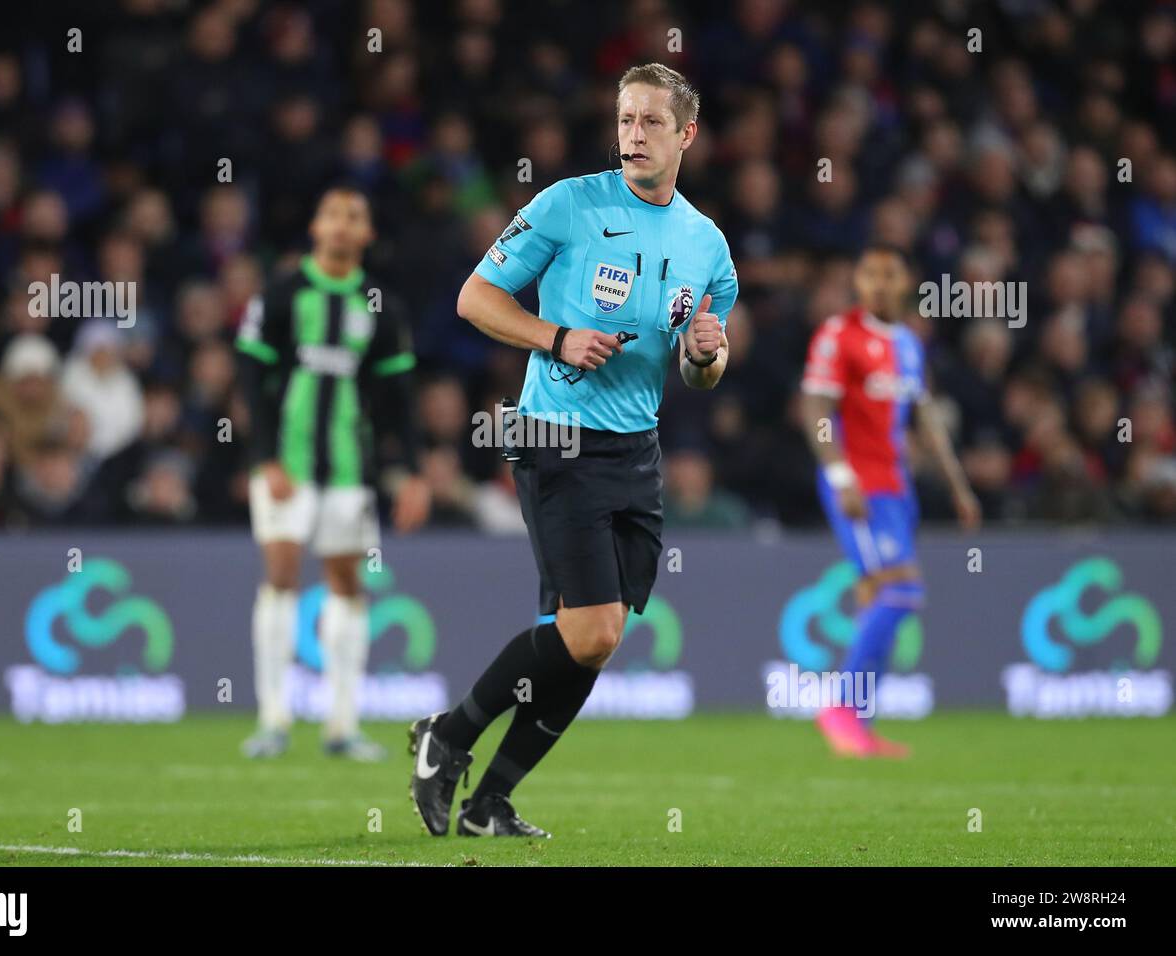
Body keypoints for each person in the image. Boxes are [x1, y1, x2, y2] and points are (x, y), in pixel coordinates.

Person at [408, 64, 737, 837]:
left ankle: (489, 803)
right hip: (552, 431)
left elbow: (703, 372)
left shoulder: (707, 246)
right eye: (625, 119)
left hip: (635, 446)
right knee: (592, 632)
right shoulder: (567, 204)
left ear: (686, 134)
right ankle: (447, 737)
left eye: (652, 122)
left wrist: (705, 352)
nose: (633, 135)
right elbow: (475, 298)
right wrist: (555, 336)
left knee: (585, 643)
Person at [234, 185, 430, 761]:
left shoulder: (381, 307)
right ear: (316, 227)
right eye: (333, 216)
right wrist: (264, 458)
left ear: (366, 234)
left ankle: (341, 724)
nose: (342, 226)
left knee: (346, 583)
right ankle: (273, 718)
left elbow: (400, 398)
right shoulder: (281, 292)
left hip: (349, 468)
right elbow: (250, 381)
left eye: (355, 218)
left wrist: (414, 471)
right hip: (286, 464)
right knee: (282, 571)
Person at [799, 244, 981, 758]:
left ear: (906, 282)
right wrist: (839, 473)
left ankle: (858, 723)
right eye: (870, 273)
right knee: (900, 593)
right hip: (859, 487)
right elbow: (813, 406)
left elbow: (926, 418)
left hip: (896, 490)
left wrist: (958, 486)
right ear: (858, 281)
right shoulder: (840, 335)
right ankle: (841, 710)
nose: (880, 283)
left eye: (890, 274)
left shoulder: (906, 343)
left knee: (883, 595)